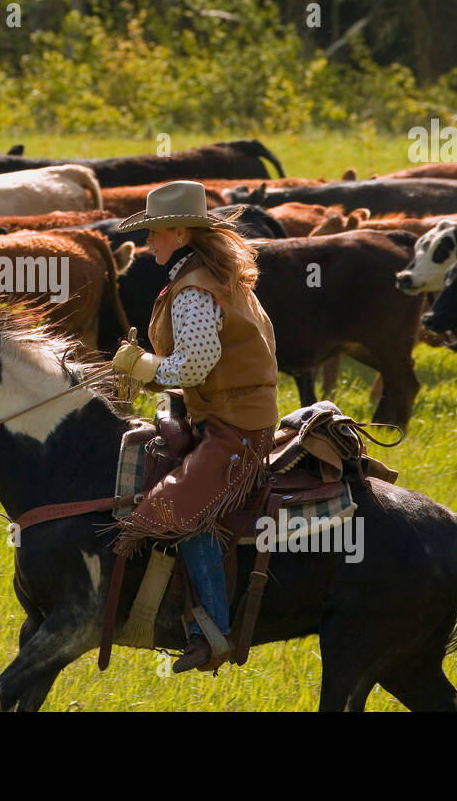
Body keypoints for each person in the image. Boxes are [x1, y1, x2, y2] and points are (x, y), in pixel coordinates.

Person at [109, 180, 279, 673]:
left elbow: (195, 367)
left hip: (234, 427)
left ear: (179, 231)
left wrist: (142, 366)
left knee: (181, 510)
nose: (148, 244)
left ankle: (214, 632)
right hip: (231, 416)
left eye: (154, 233)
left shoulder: (193, 289)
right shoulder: (213, 277)